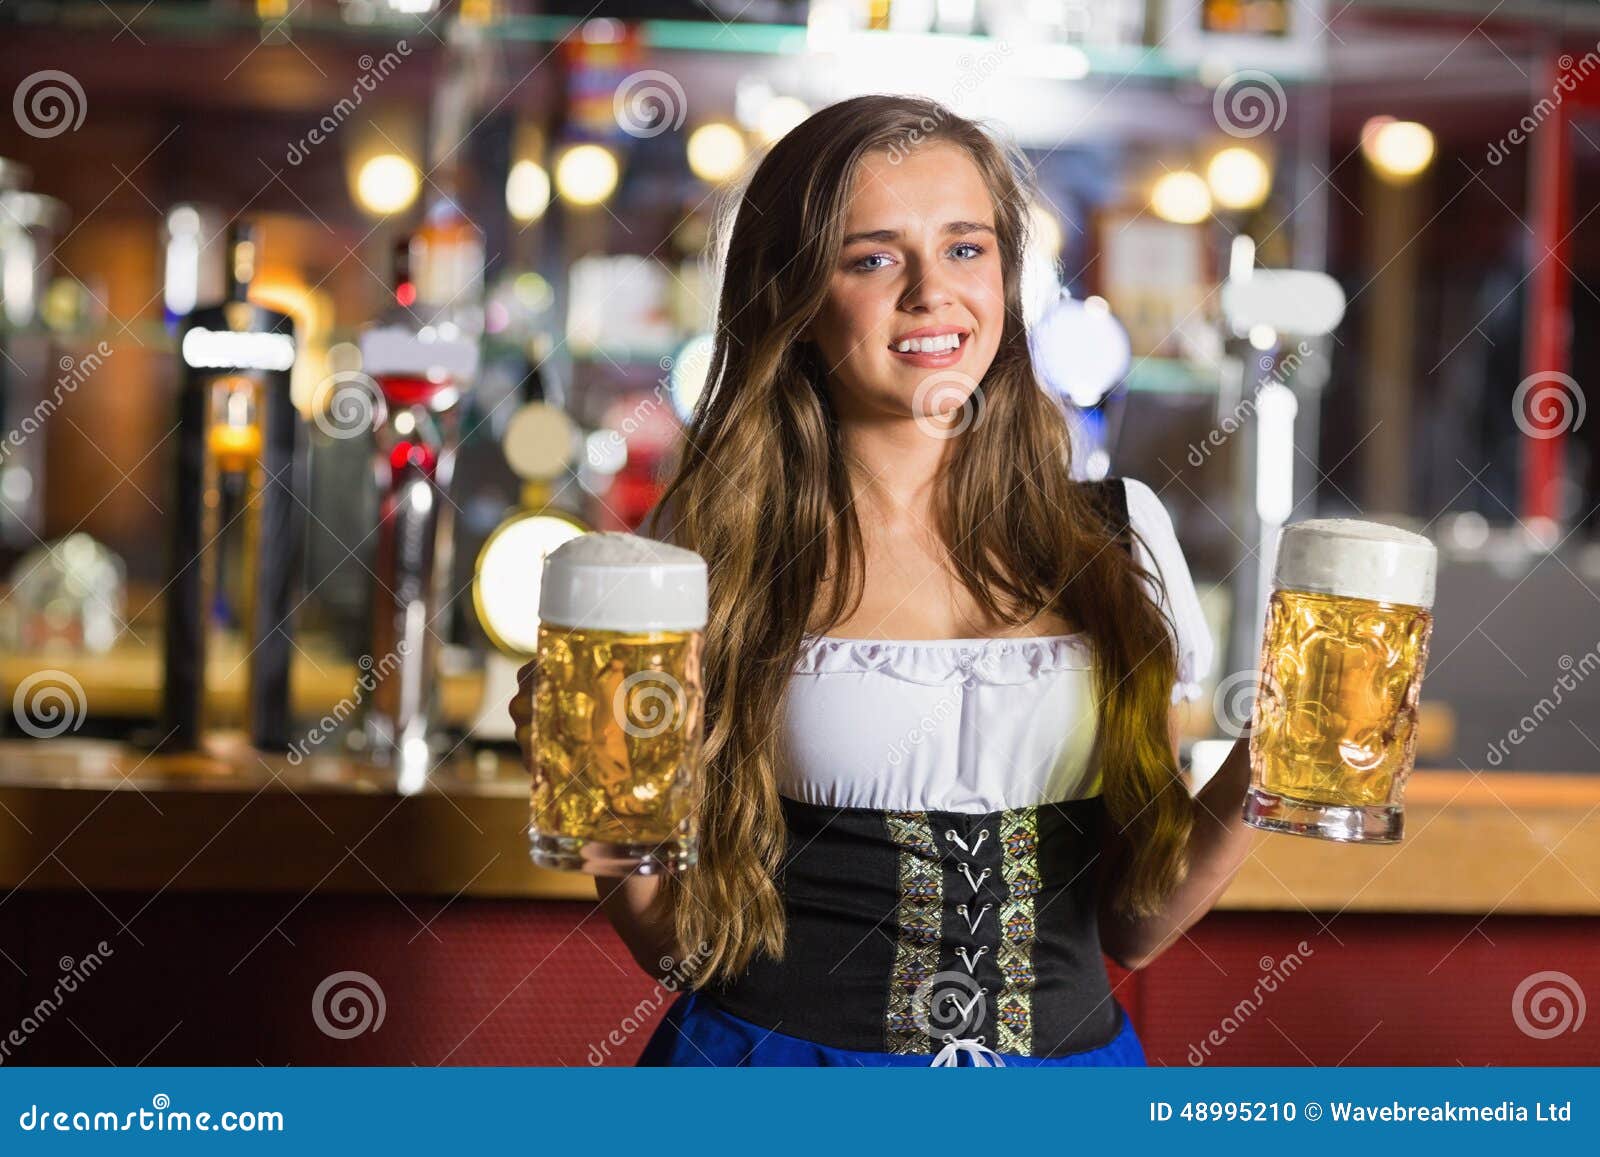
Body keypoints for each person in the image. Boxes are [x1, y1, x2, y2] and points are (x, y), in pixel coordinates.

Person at [511, 93, 1256, 1067]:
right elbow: (678, 944)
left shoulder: (1118, 538)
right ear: (794, 297)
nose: (931, 292)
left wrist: (1270, 760)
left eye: (965, 248)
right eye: (871, 258)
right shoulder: (714, 552)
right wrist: (604, 803)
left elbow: (1136, 924)